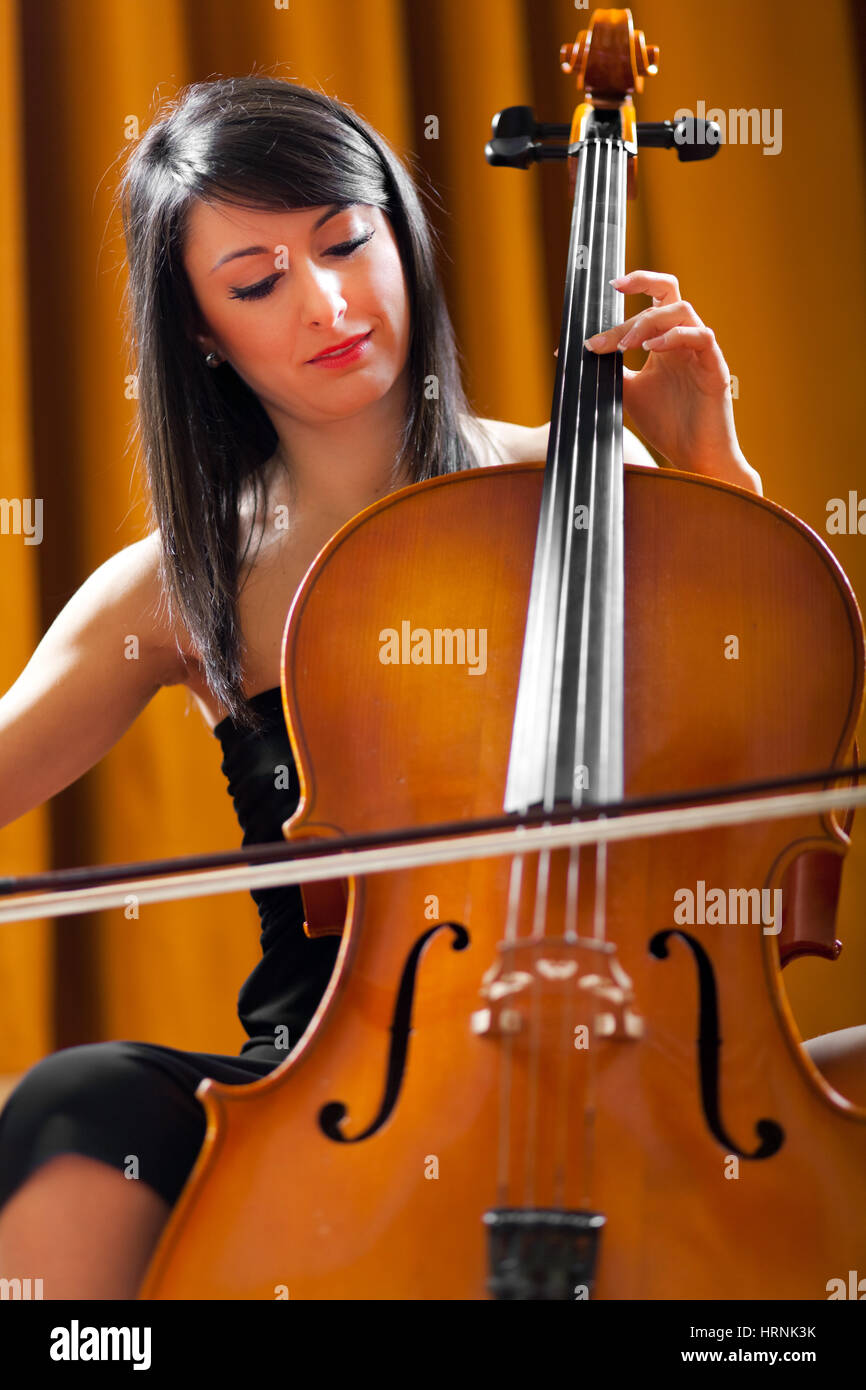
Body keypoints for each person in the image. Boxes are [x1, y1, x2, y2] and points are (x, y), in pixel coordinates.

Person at [0, 73, 856, 1301]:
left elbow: (766, 741)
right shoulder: (182, 584)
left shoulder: (587, 478)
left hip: (651, 1059)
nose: (329, 302)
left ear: (400, 233)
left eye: (348, 243)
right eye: (257, 280)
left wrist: (710, 474)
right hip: (334, 1082)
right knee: (77, 1109)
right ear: (200, 329)